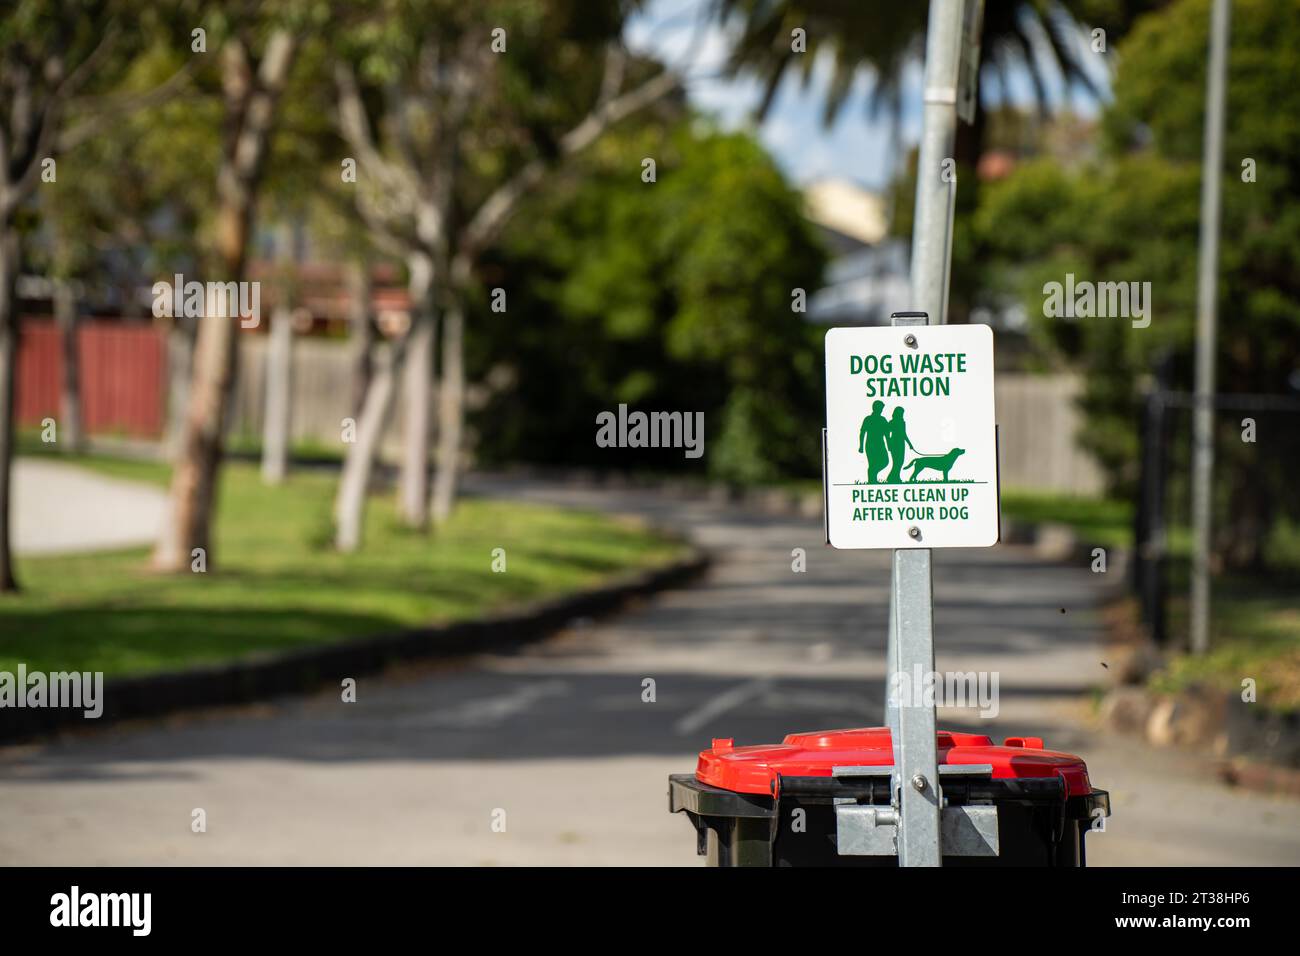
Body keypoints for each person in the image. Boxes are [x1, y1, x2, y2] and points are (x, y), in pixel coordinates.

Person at [858, 400, 890, 483]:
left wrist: (889, 445)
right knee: (872, 463)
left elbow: (887, 434)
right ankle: (872, 481)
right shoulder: (868, 419)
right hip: (871, 444)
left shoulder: (883, 420)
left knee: (885, 461)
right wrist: (861, 446)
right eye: (880, 408)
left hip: (880, 444)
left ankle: (872, 477)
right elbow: (862, 433)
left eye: (882, 409)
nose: (881, 410)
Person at [886, 406, 917, 483]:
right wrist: (889, 445)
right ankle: (892, 478)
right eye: (901, 412)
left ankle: (895, 477)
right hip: (894, 442)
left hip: (901, 443)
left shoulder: (902, 422)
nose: (902, 414)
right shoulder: (891, 422)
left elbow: (904, 434)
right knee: (897, 462)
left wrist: (910, 444)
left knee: (900, 461)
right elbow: (887, 434)